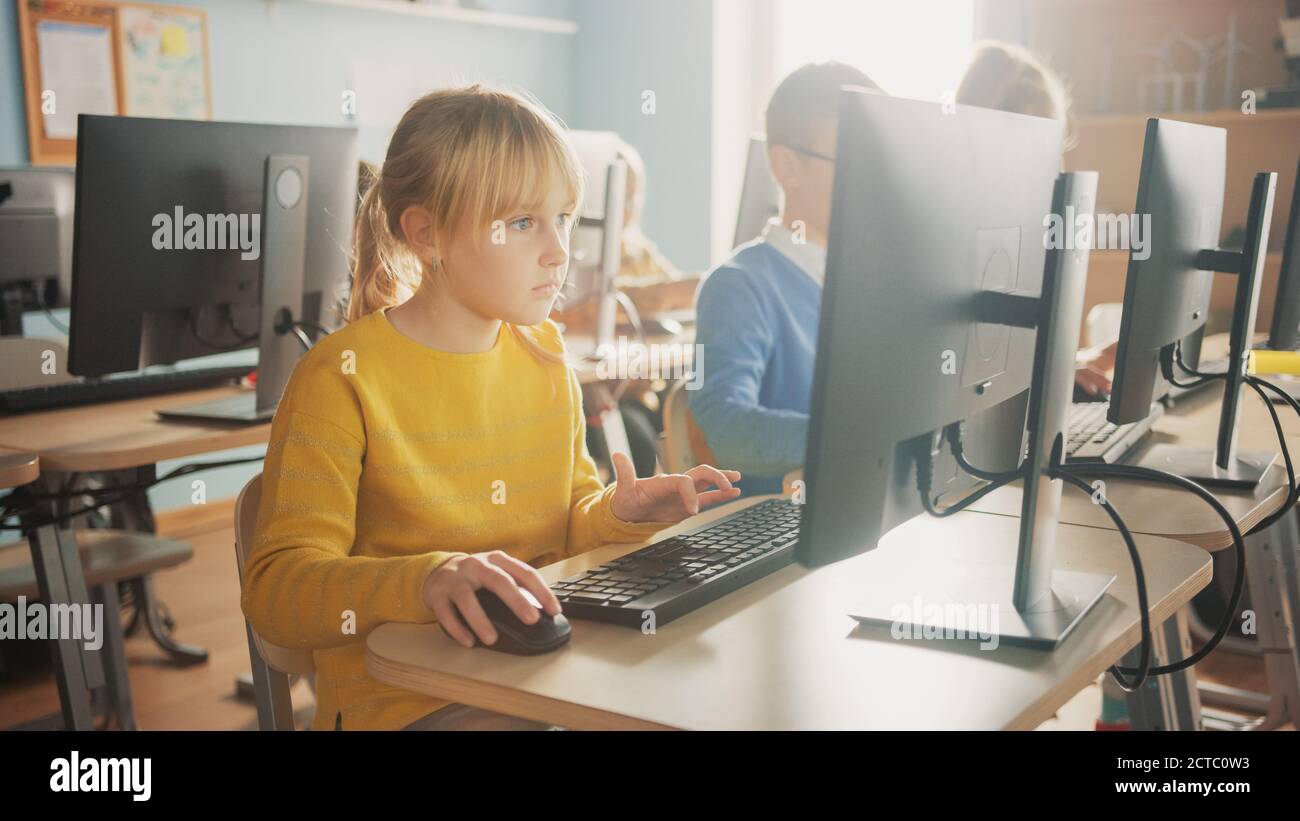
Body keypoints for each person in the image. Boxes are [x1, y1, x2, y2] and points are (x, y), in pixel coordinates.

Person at [241, 85, 743, 730]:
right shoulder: (341, 377)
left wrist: (618, 514)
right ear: (426, 233)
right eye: (523, 222)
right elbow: (277, 594)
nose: (559, 251)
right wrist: (427, 580)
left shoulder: (542, 354)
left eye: (563, 217)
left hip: (548, 676)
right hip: (410, 704)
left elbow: (566, 530)